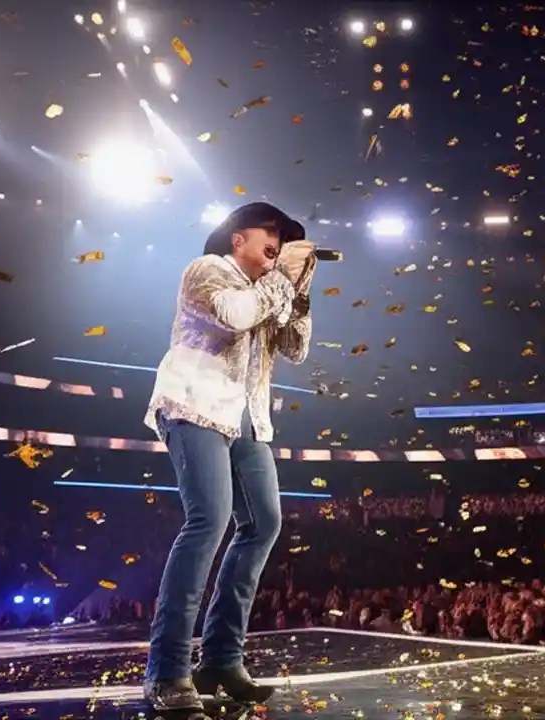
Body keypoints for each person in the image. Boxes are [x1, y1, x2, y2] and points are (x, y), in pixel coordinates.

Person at [142, 202, 314, 716]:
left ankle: (220, 660)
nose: (278, 246)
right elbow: (233, 316)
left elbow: (296, 349)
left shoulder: (269, 290)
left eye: (284, 242)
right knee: (209, 521)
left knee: (263, 523)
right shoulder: (208, 271)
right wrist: (279, 281)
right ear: (238, 237)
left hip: (247, 419)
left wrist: (299, 293)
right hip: (194, 406)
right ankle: (167, 671)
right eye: (271, 235)